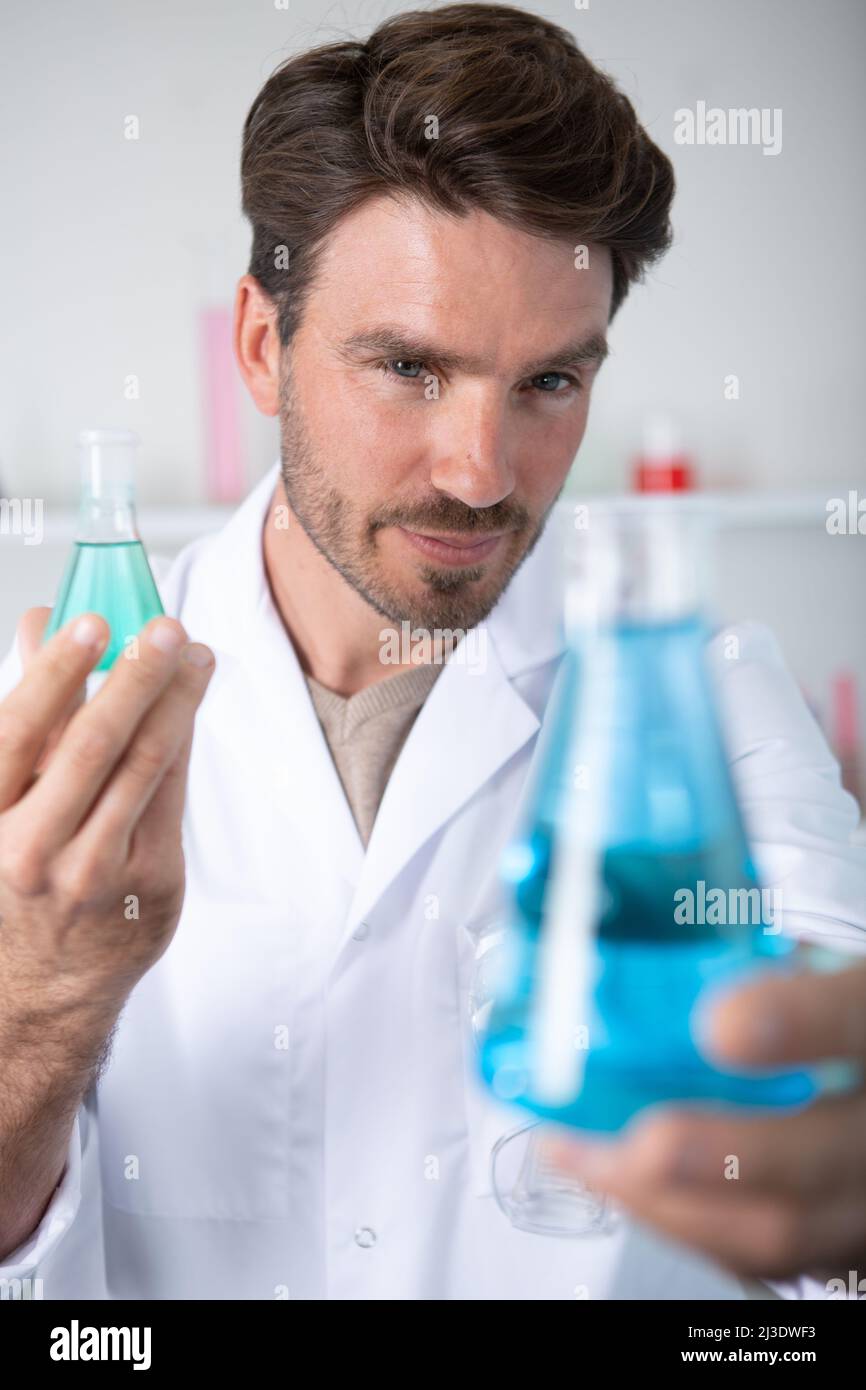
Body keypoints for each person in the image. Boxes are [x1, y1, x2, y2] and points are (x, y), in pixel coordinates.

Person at [1, 3, 864, 1301]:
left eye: (548, 384)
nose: (479, 472)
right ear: (261, 347)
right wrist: (36, 1019)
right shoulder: (47, 718)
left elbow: (814, 1154)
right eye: (407, 365)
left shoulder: (704, 701)